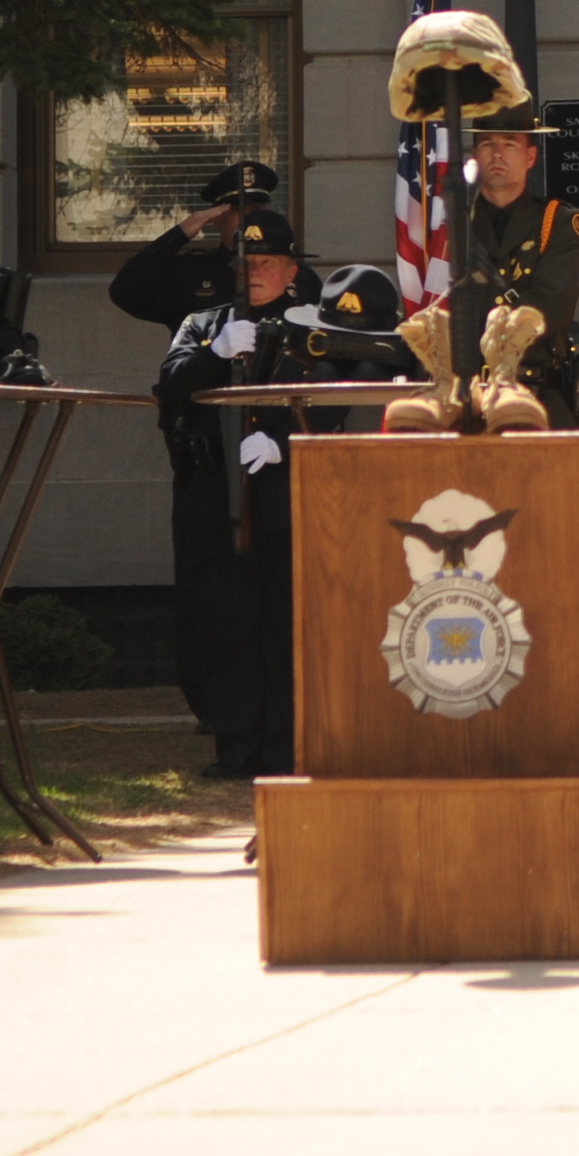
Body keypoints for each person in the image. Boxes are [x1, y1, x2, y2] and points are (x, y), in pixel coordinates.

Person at [154, 208, 328, 779]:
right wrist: (215, 353)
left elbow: (333, 397)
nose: (255, 272)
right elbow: (171, 388)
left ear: (290, 269)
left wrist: (279, 441)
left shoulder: (311, 329)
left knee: (283, 623)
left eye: (267, 263)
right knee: (224, 623)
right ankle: (235, 745)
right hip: (213, 496)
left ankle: (285, 744)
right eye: (246, 263)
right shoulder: (204, 325)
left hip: (281, 495)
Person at [461, 102, 579, 425]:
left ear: (530, 157)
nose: (497, 154)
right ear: (475, 155)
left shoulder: (559, 223)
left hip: (535, 392)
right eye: (487, 144)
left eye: (509, 144)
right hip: (463, 394)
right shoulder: (451, 223)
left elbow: (549, 307)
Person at [109, 161, 316, 329]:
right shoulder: (191, 273)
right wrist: (181, 233)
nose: (249, 217)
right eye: (238, 209)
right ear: (216, 218)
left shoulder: (297, 276)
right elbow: (125, 291)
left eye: (257, 208)